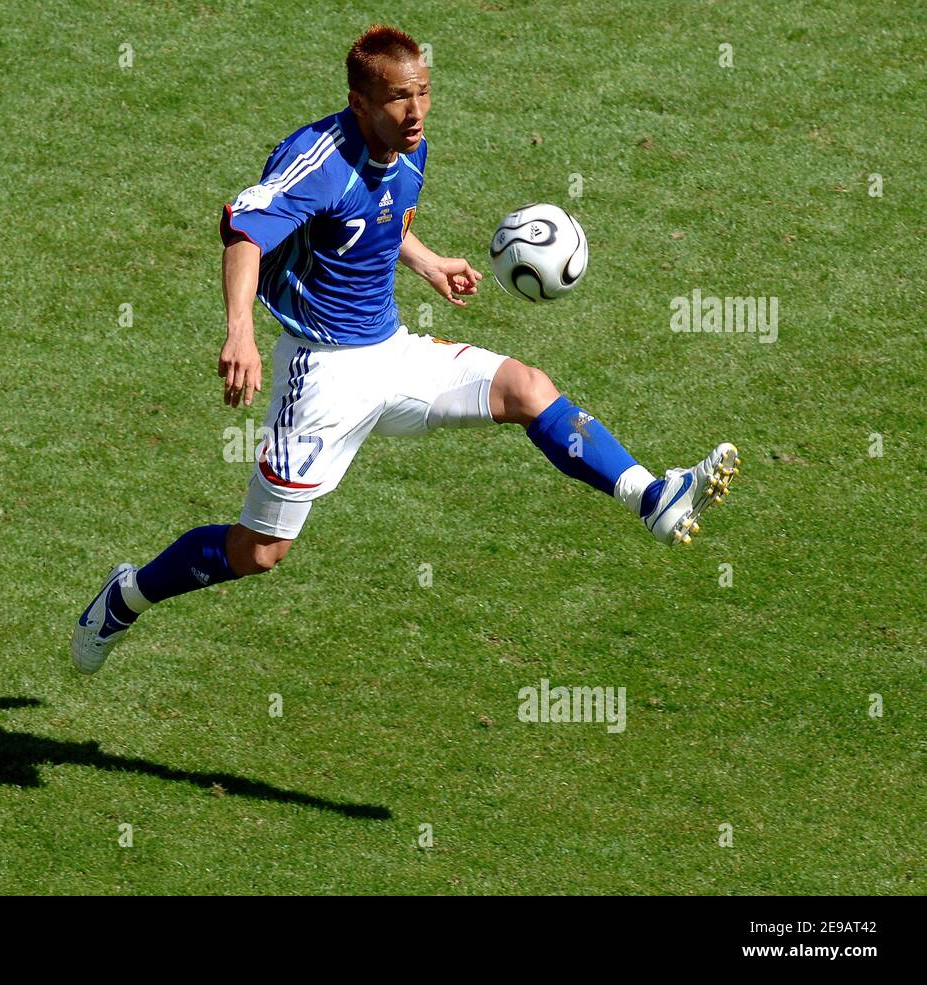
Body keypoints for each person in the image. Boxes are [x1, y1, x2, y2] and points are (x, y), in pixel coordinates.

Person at [72, 24, 740, 674]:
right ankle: (128, 596)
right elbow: (245, 232)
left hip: (393, 351)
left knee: (528, 388)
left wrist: (425, 262)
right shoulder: (317, 162)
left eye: (422, 91)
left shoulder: (409, 144)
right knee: (261, 551)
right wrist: (240, 331)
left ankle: (651, 497)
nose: (416, 110)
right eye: (398, 97)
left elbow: (379, 220)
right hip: (322, 375)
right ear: (361, 102)